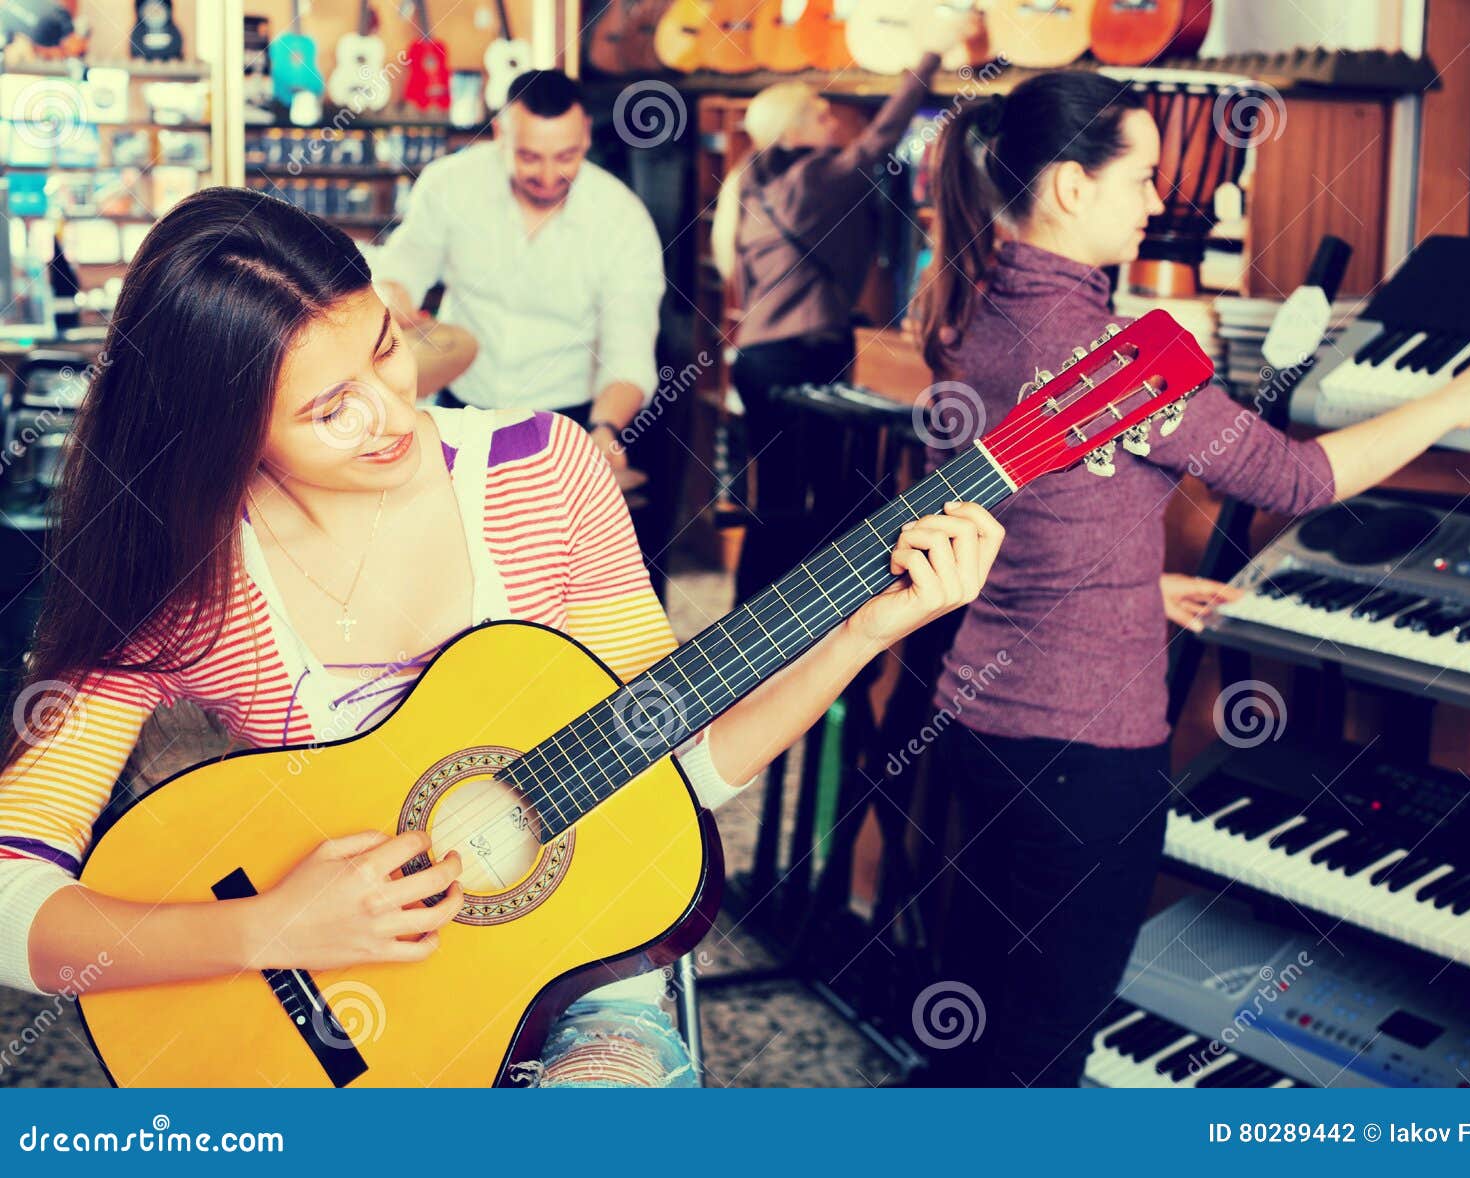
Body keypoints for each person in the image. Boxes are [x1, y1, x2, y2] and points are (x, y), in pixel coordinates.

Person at [0, 188, 1005, 1087]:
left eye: (386, 348)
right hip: (336, 1019)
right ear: (227, 431)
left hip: (581, 981)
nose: (390, 413)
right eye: (326, 409)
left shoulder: (543, 474)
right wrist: (269, 925)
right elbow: (11, 894)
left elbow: (683, 767)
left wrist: (871, 626)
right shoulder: (183, 571)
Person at [914, 72, 1470, 1087]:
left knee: (984, 1028)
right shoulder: (1113, 355)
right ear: (1072, 187)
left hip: (986, 724)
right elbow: (1297, 477)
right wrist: (1452, 399)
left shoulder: (972, 310)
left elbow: (1031, 506)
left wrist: (1131, 587)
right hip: (1083, 752)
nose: (1156, 200)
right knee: (1039, 1054)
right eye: (1143, 177)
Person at [710, 13, 976, 604]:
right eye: (819, 111)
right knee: (829, 502)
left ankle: (746, 625)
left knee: (776, 495)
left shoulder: (748, 182)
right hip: (807, 354)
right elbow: (883, 136)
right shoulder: (815, 180)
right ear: (795, 123)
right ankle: (809, 624)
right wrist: (928, 56)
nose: (830, 119)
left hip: (755, 359)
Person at [370, 70, 661, 475]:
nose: (547, 176)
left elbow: (628, 353)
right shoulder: (449, 184)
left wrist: (606, 428)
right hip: (461, 413)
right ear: (499, 134)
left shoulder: (623, 219)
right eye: (529, 157)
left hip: (566, 421)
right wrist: (393, 302)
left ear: (587, 136)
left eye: (566, 157)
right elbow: (402, 269)